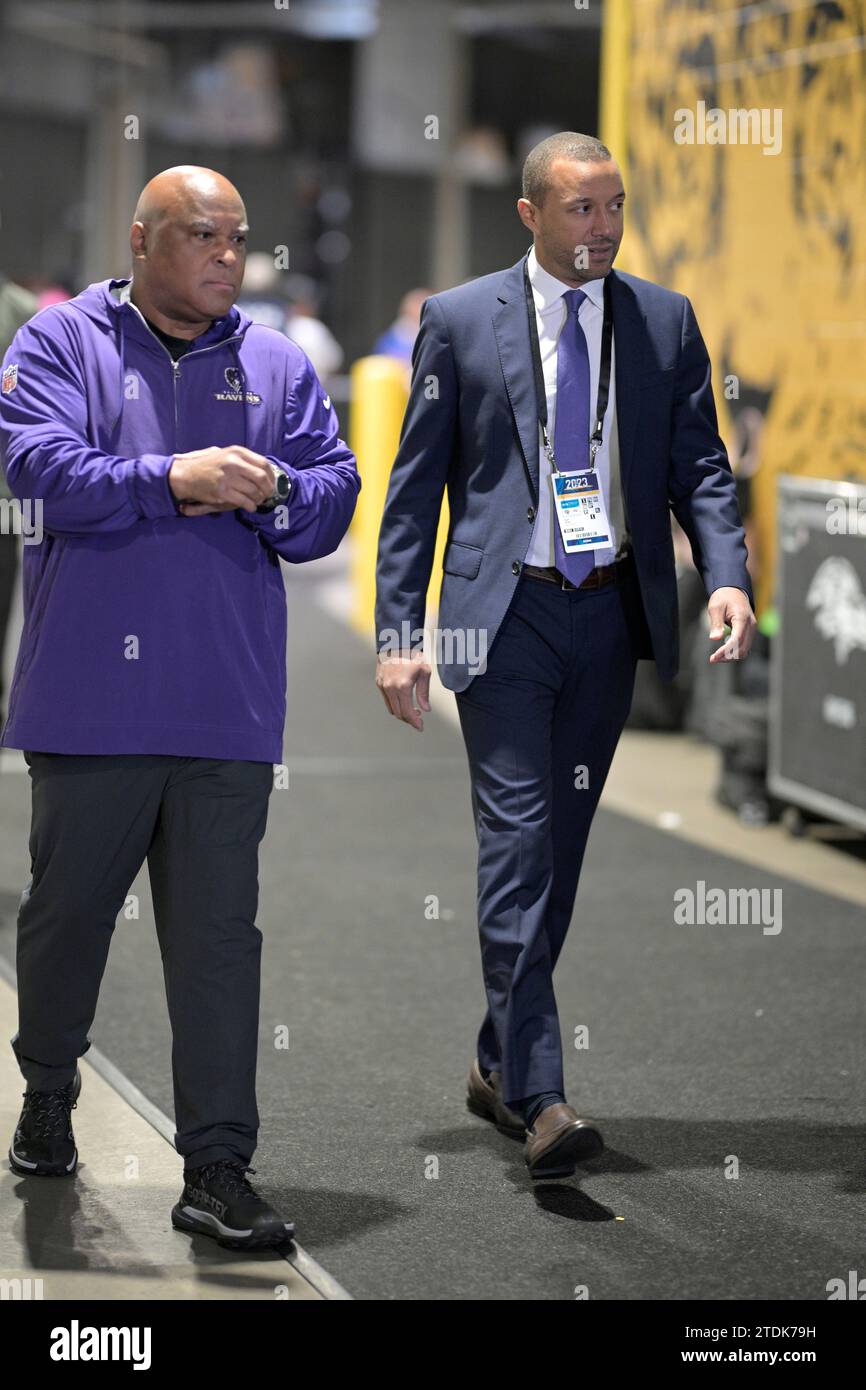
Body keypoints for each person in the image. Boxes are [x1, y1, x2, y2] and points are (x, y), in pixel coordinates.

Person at [374, 132, 755, 1182]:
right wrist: (398, 635)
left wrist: (723, 575)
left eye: (613, 208)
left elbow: (701, 469)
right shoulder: (458, 321)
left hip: (604, 617)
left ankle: (496, 1058)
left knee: (560, 858)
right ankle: (541, 1097)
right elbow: (413, 496)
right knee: (517, 842)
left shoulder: (662, 320)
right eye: (580, 209)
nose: (601, 229)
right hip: (499, 622)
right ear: (531, 215)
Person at [1, 165, 360, 1247]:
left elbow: (331, 492)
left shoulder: (278, 362)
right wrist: (178, 478)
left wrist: (286, 490)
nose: (224, 255)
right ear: (142, 240)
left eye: (236, 238)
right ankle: (50, 1084)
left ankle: (217, 1166)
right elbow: (32, 471)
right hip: (89, 706)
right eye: (200, 235)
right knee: (64, 925)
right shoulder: (59, 344)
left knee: (215, 944)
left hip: (224, 709)